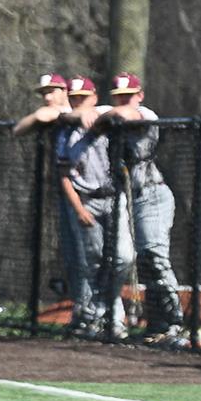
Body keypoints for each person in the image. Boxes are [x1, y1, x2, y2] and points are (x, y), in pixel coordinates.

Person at [101, 73, 186, 341]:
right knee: (124, 258)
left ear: (140, 95)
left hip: (151, 195)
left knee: (154, 257)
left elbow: (128, 114)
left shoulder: (144, 113)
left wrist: (101, 115)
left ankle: (173, 321)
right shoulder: (110, 115)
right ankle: (152, 322)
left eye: (129, 96)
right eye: (119, 97)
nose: (124, 101)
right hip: (122, 197)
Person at [56, 76, 131, 338]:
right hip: (86, 200)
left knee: (123, 257)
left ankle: (104, 311)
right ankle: (107, 318)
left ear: (95, 97)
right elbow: (64, 175)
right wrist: (79, 209)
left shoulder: (106, 117)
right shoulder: (67, 130)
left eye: (83, 98)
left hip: (113, 197)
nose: (79, 102)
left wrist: (95, 115)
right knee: (94, 260)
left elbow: (120, 112)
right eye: (74, 98)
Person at [13, 74, 92, 321]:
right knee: (72, 255)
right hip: (65, 192)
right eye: (43, 93)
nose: (47, 97)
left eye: (52, 91)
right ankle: (82, 311)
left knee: (89, 254)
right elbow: (18, 129)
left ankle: (95, 312)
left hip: (88, 192)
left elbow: (84, 116)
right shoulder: (51, 115)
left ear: (64, 91)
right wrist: (41, 115)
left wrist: (60, 115)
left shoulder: (78, 113)